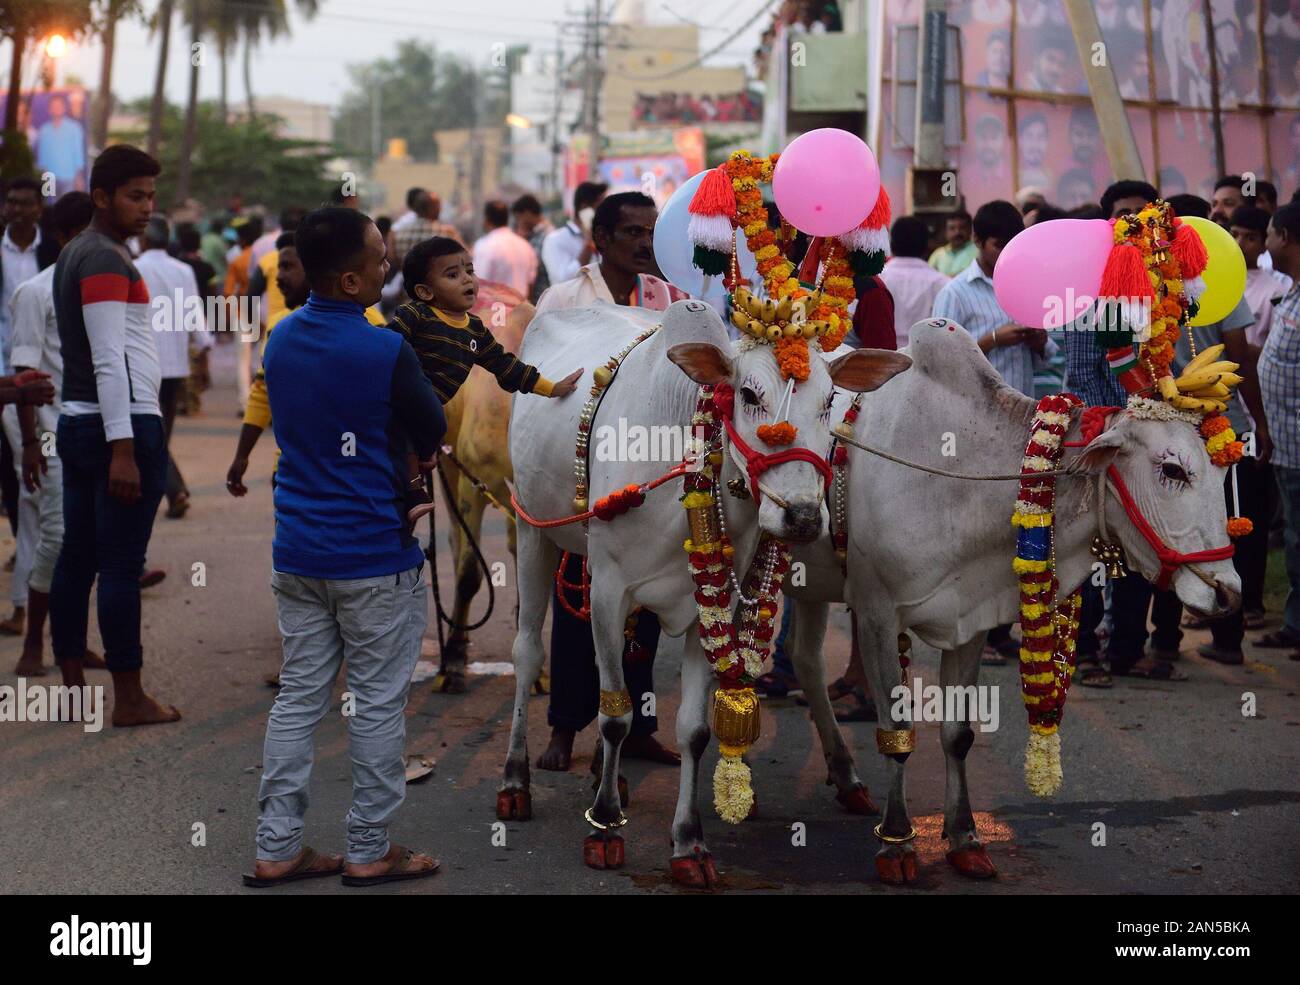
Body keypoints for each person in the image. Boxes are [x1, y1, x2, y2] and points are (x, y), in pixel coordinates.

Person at [248, 206, 446, 888]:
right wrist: (418, 456)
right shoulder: (384, 346)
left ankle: (276, 848)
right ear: (353, 277)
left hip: (297, 552)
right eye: (380, 258)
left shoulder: (279, 338)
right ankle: (368, 848)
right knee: (377, 704)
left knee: (299, 698)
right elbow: (431, 421)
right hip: (373, 558)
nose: (389, 265)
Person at [531, 191, 685, 772]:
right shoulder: (564, 300)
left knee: (645, 613)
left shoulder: (669, 300)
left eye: (652, 232)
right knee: (577, 611)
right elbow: (540, 390)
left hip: (646, 478)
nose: (646, 243)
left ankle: (638, 728)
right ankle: (564, 731)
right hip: (578, 476)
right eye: (632, 233)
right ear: (600, 240)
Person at [49, 144, 180, 726]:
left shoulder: (79, 251)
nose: (147, 206)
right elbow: (109, 359)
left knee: (78, 554)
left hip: (81, 421)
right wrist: (123, 450)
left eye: (151, 195)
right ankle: (129, 697)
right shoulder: (102, 258)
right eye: (135, 195)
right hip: (115, 429)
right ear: (101, 198)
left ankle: (73, 679)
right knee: (121, 565)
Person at [932, 200, 1055, 665]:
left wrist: (1040, 341)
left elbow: (1049, 355)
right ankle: (968, 629)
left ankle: (999, 629)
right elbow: (941, 357)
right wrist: (992, 340)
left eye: (1010, 246)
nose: (1003, 255)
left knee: (1013, 529)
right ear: (980, 242)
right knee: (973, 532)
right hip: (972, 426)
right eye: (997, 245)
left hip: (1021, 425)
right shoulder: (957, 293)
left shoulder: (1023, 287)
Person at [9, 191, 101, 676]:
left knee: (87, 539)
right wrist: (28, 444)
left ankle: (72, 641)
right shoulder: (35, 292)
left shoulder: (107, 286)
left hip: (97, 430)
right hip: (50, 432)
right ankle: (33, 644)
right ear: (65, 236)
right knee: (58, 536)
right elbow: (24, 374)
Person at [388, 236, 580, 407]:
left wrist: (552, 388)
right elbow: (383, 349)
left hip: (432, 409)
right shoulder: (414, 315)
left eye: (470, 271)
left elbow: (507, 367)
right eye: (452, 275)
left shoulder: (475, 330)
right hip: (397, 403)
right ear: (426, 291)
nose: (467, 279)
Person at [0, 176, 56, 611]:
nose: (17, 210)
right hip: (5, 376)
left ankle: (26, 595)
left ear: (39, 208)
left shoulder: (53, 253)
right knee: (26, 475)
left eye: (25, 203)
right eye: (11, 203)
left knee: (30, 476)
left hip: (34, 380)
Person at [134, 214, 213, 520]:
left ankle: (172, 489)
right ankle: (170, 490)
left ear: (143, 238)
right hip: (175, 365)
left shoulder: (134, 268)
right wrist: (204, 352)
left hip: (143, 364)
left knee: (152, 436)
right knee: (160, 433)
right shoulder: (182, 270)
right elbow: (195, 313)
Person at [1257, 203, 1300, 661]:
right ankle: (1294, 623)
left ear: (1284, 236)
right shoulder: (1291, 291)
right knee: (1294, 537)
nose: (1266, 243)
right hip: (1288, 445)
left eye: (1268, 233)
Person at [878, 215, 949, 347]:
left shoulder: (877, 278)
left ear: (891, 243)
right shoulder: (941, 282)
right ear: (926, 245)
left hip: (885, 358)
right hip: (925, 357)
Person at [540, 180, 607, 288]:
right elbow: (562, 280)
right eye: (600, 208)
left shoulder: (603, 238)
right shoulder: (555, 239)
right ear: (585, 208)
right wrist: (589, 244)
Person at [471, 199, 538, 297]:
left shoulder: (484, 245)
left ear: (487, 220)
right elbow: (530, 283)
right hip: (522, 307)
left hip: (494, 309)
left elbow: (479, 284)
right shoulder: (525, 245)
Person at [392, 190, 462, 271]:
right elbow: (463, 258)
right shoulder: (447, 232)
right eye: (438, 205)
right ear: (431, 208)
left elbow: (394, 260)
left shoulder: (399, 233)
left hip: (406, 282)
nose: (440, 208)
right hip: (437, 283)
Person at [35, 95, 87, 195]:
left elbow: (78, 153)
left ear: (64, 108)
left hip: (69, 177)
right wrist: (42, 175)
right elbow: (42, 155)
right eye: (53, 106)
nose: (56, 109)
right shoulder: (43, 130)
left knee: (67, 207)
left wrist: (79, 177)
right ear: (49, 109)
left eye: (59, 106)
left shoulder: (75, 128)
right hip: (48, 177)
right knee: (50, 207)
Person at [510, 194, 550, 302]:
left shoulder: (547, 236)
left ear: (527, 213)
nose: (518, 223)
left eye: (518, 218)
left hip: (543, 298)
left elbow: (534, 266)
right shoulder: (532, 235)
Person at [927, 208, 976, 276]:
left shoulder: (978, 252)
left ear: (970, 229)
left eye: (962, 227)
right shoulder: (938, 254)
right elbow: (929, 277)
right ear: (945, 232)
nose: (957, 232)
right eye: (952, 228)